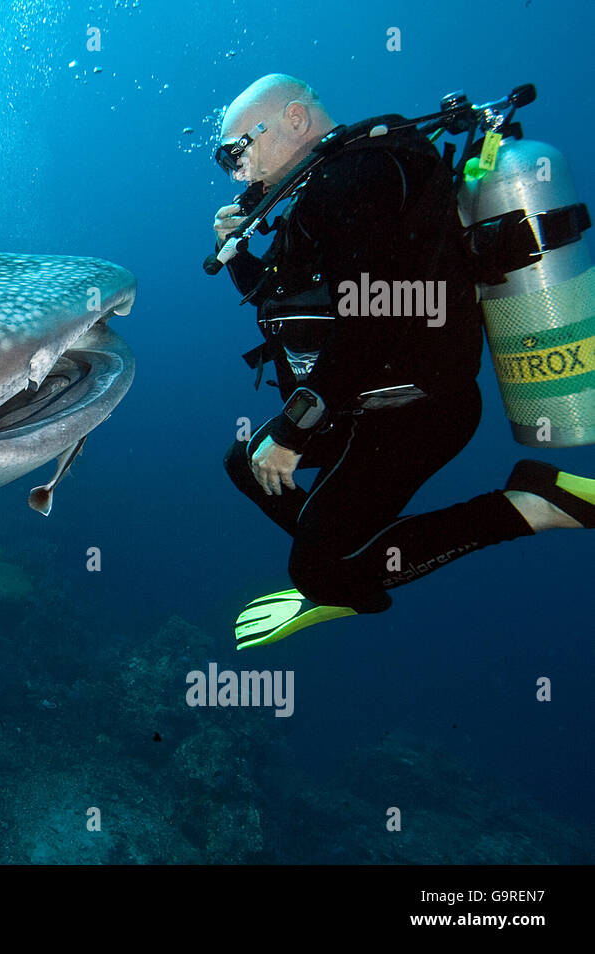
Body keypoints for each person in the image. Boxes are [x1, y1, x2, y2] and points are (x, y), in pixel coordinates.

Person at [212, 73, 595, 649]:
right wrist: (242, 255)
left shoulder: (353, 181)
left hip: (417, 409)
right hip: (366, 399)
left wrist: (295, 428)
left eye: (239, 153)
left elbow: (371, 320)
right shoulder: (332, 184)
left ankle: (530, 504)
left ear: (294, 120)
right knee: (245, 463)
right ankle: (346, 562)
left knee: (313, 567)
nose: (240, 174)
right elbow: (296, 304)